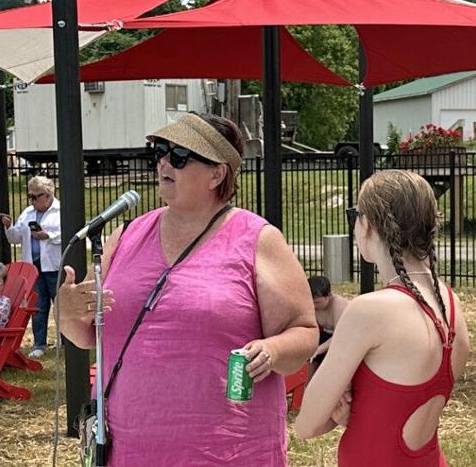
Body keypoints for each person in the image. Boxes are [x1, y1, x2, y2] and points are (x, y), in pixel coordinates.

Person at [58, 112, 317, 466]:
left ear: (217, 173)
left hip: (226, 450)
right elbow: (87, 336)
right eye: (161, 151)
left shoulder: (257, 239)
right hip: (129, 447)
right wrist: (68, 312)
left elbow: (304, 331)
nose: (164, 161)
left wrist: (272, 350)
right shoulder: (127, 235)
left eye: (179, 155)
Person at [295, 170, 470, 466]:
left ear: (369, 225)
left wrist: (343, 404)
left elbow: (307, 425)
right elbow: (401, 406)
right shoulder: (450, 303)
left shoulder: (370, 311)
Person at [0, 176, 61, 359]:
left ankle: (65, 341)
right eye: (29, 196)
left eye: (35, 196)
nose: (32, 200)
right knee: (38, 305)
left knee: (61, 304)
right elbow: (16, 238)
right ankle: (39, 343)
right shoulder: (27, 213)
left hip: (54, 265)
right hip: (33, 267)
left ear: (48, 196)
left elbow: (68, 233)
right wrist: (9, 227)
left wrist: (47, 236)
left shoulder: (61, 211)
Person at [307, 275, 348, 380]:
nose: (314, 306)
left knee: (328, 356)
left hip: (345, 338)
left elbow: (341, 336)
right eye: (311, 301)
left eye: (317, 302)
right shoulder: (310, 304)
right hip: (327, 335)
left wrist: (318, 350)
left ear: (328, 296)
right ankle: (308, 383)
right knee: (309, 354)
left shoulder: (337, 304)